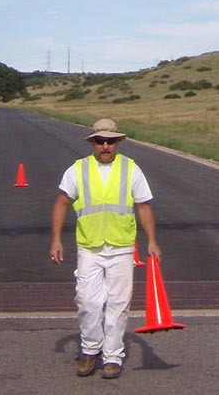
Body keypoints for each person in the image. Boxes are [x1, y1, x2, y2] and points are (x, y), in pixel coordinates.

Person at [50, 118, 160, 380]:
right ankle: (90, 350)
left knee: (118, 305)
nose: (106, 146)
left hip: (121, 246)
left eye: (110, 141)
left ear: (118, 142)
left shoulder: (130, 169)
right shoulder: (78, 170)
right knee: (88, 302)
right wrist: (56, 238)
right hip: (89, 247)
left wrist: (152, 241)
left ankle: (112, 356)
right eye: (100, 141)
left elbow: (144, 206)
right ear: (93, 143)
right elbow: (61, 203)